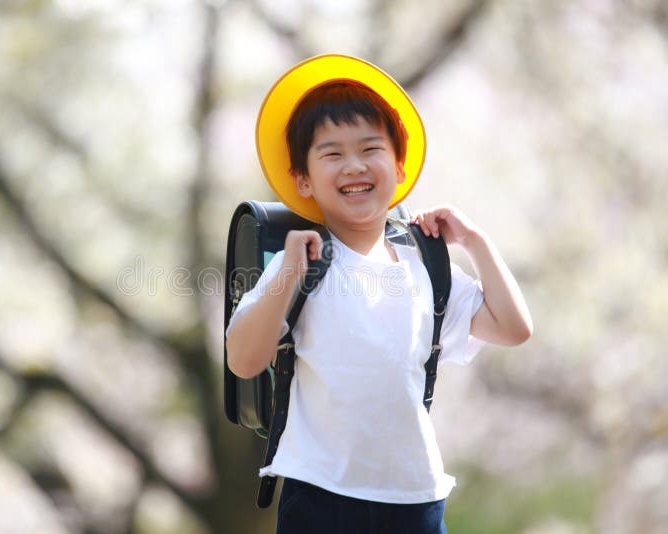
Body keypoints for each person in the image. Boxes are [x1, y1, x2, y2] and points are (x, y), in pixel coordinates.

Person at [225, 54, 533, 534]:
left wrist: (474, 241)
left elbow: (514, 328)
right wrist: (287, 269)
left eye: (370, 148)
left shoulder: (425, 265)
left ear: (398, 163)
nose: (354, 166)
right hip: (320, 498)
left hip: (416, 499)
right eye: (331, 154)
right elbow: (243, 360)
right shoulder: (302, 262)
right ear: (303, 179)